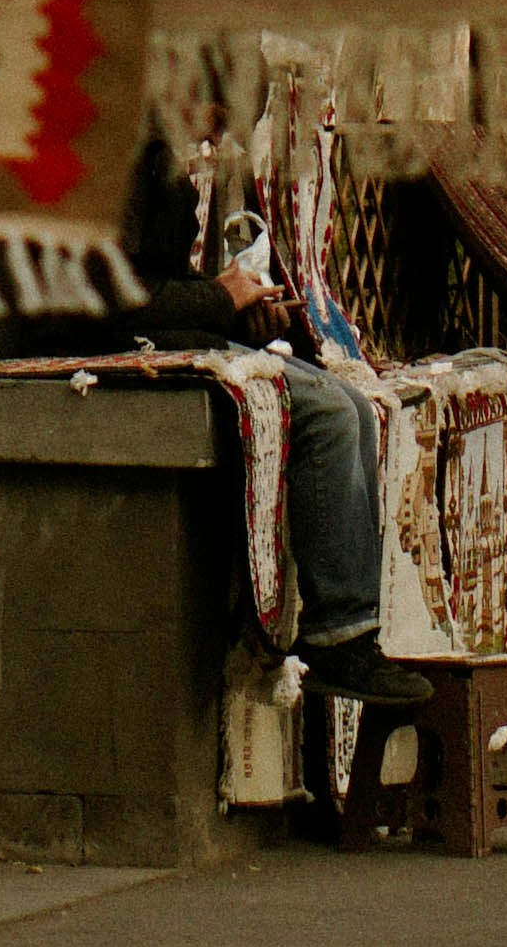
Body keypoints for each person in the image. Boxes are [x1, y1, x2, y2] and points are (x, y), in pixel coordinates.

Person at [136, 230, 435, 711]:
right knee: (328, 414)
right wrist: (217, 298)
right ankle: (337, 635)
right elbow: (114, 296)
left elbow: (159, 284)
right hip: (129, 344)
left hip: (172, 333)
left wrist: (238, 315)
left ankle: (354, 633)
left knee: (354, 406)